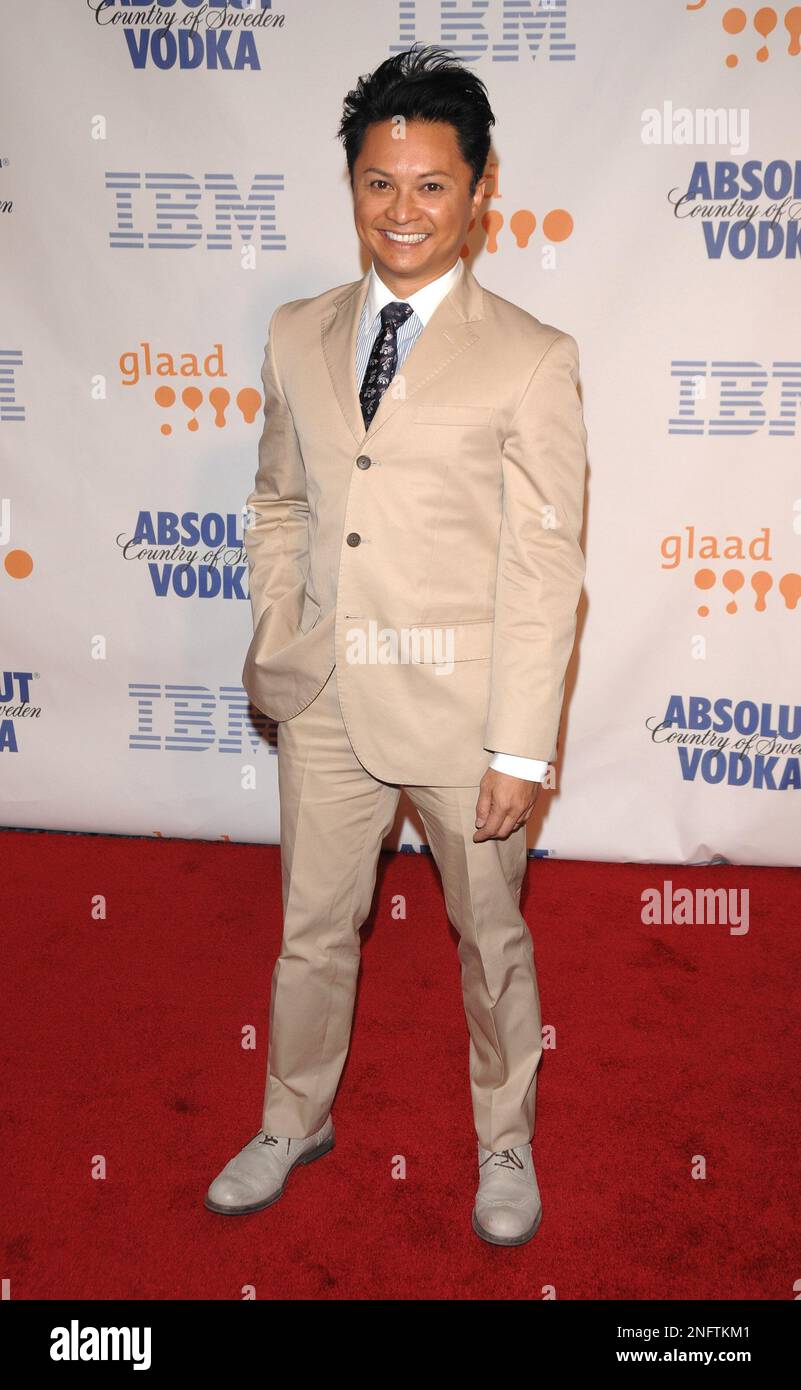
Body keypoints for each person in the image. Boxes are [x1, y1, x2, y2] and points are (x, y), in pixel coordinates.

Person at [205, 43, 588, 1246]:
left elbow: (545, 566)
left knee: (491, 942)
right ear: (352, 186)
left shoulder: (533, 357)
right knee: (310, 928)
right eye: (381, 182)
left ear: (480, 193)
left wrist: (520, 749)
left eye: (432, 184)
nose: (404, 210)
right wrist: (280, 628)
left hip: (467, 717)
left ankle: (506, 1137)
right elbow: (281, 501)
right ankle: (292, 1115)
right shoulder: (297, 330)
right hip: (325, 697)